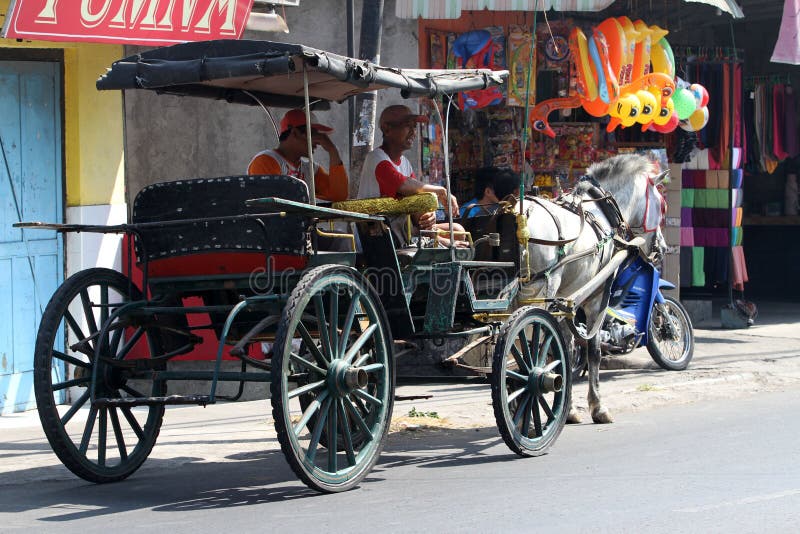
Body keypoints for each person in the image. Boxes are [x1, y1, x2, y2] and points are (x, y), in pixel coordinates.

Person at [358, 104, 463, 245]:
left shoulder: (405, 163)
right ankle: (437, 243)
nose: (413, 132)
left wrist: (428, 215)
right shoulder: (376, 158)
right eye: (408, 126)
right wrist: (440, 191)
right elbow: (405, 185)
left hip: (402, 227)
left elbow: (416, 194)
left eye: (414, 127)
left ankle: (435, 240)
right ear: (387, 129)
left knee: (458, 231)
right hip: (380, 232)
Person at [248, 108, 348, 202]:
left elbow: (339, 196)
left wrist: (333, 151)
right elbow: (271, 206)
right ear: (295, 133)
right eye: (313, 134)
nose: (319, 141)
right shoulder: (266, 160)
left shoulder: (310, 169)